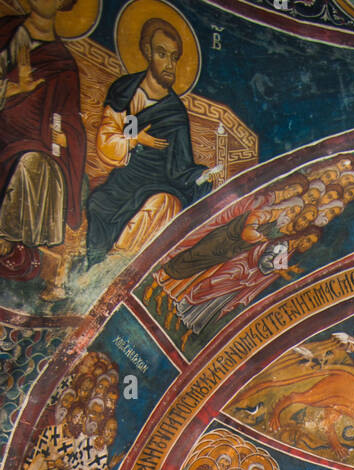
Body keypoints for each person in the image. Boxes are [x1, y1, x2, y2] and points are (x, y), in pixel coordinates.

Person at [86, 16, 217, 264]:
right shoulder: (123, 90)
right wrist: (135, 140)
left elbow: (181, 166)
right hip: (127, 177)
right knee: (97, 204)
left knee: (165, 204)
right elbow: (106, 141)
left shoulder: (175, 112)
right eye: (162, 53)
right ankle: (98, 266)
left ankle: (119, 263)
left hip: (159, 182)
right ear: (147, 52)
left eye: (174, 57)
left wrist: (200, 176)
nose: (169, 64)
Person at [0, 0, 87, 283]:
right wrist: (14, 88)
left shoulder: (63, 64)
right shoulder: (5, 33)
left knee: (33, 164)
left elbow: (72, 122)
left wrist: (66, 138)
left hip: (35, 146)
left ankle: (9, 238)